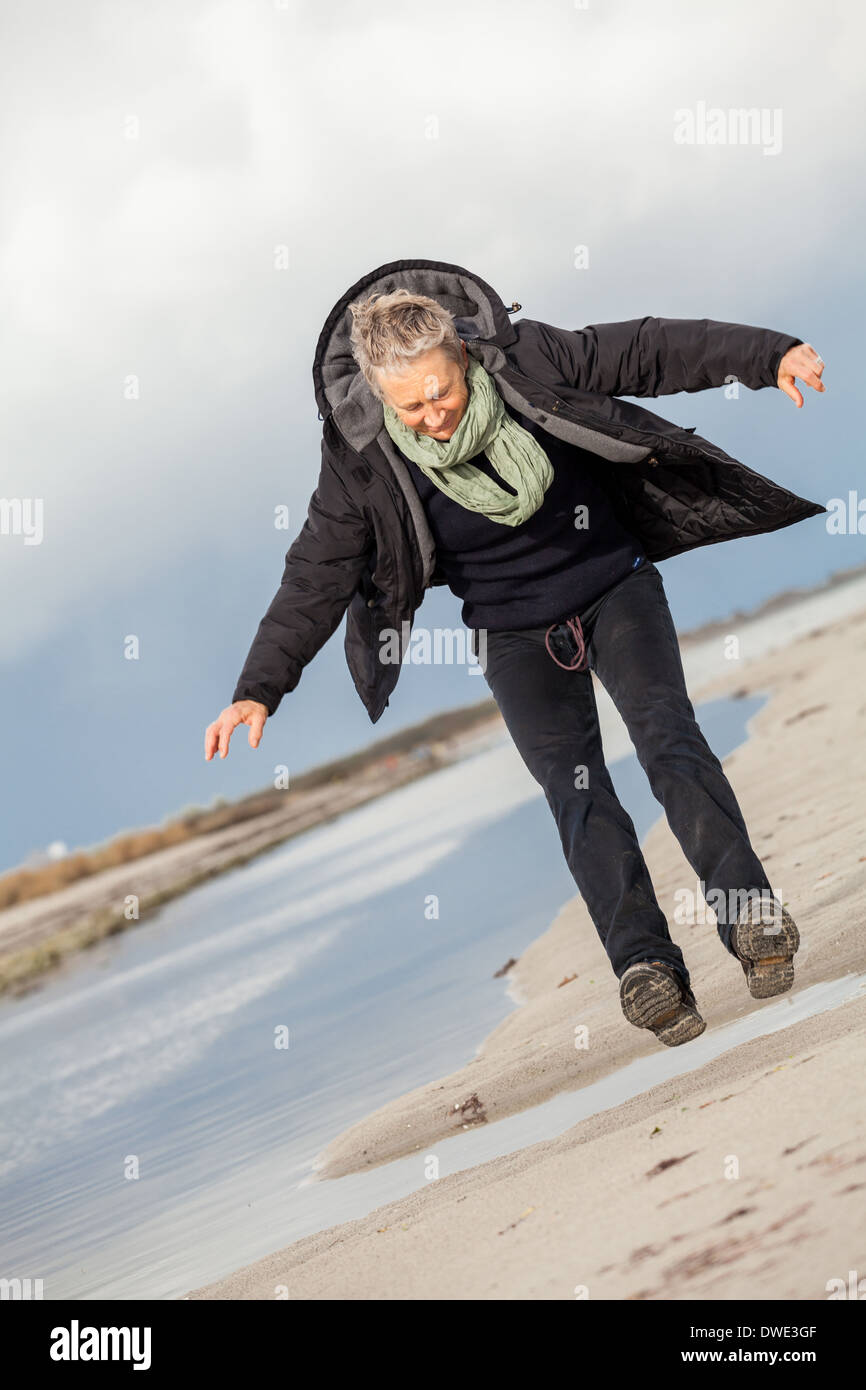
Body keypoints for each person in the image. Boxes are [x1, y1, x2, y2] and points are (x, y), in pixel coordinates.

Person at [205, 259, 827, 1047]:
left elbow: (648, 350)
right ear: (377, 392)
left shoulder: (529, 359)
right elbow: (316, 572)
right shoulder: (361, 458)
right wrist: (259, 687)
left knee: (670, 742)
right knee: (579, 794)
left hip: (614, 587)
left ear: (460, 355)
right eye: (412, 404)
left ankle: (752, 918)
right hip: (511, 630)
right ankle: (646, 968)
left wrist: (768, 355)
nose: (433, 414)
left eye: (442, 391)